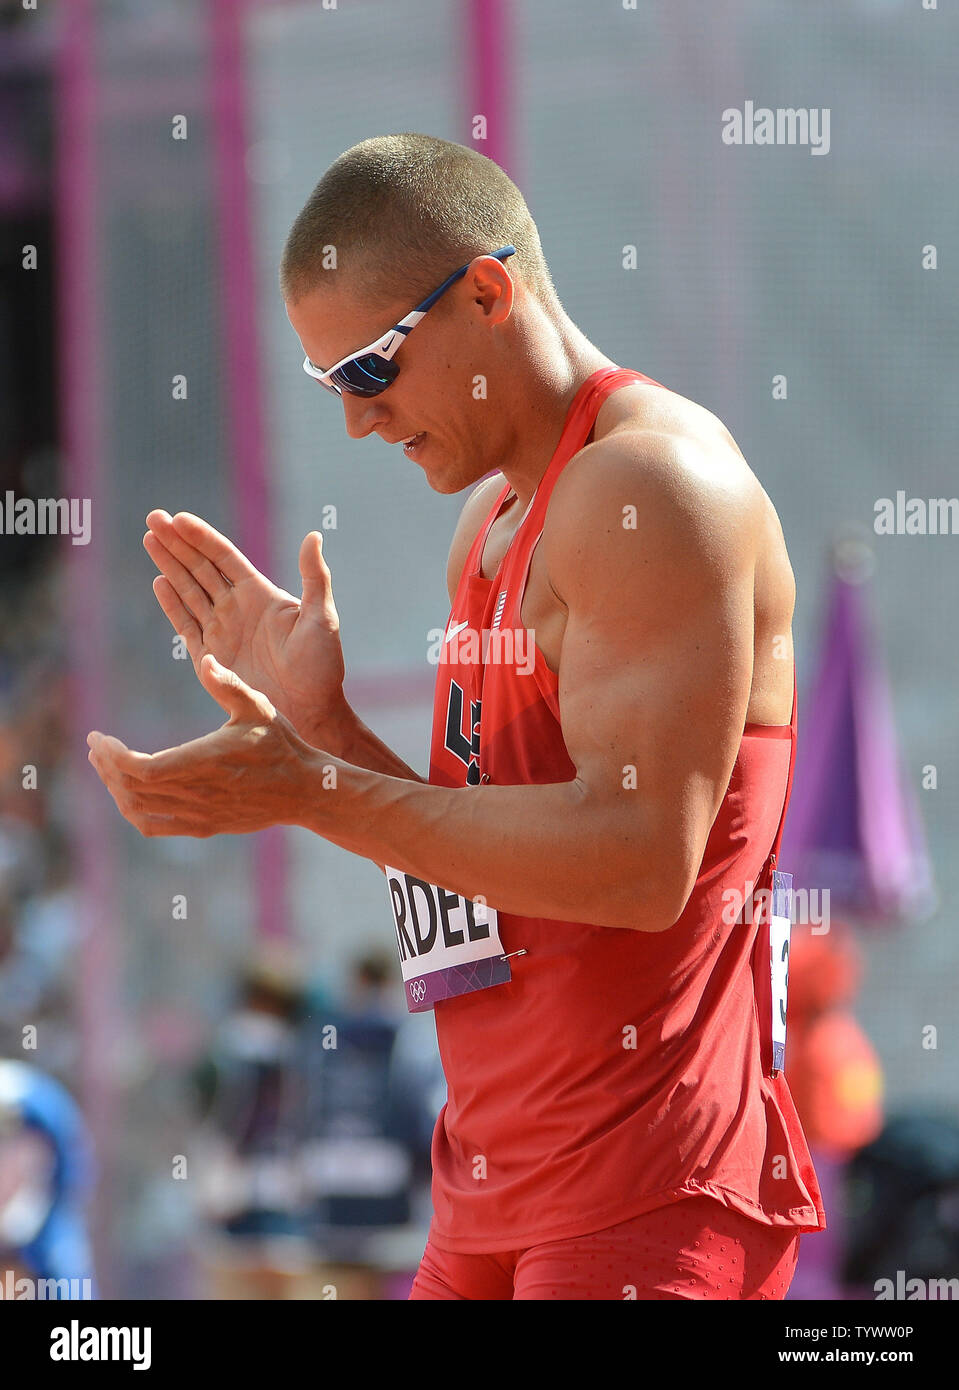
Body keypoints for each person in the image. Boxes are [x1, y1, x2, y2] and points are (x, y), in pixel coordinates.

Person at [88, 132, 825, 1300]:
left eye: (369, 372)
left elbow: (639, 864)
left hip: (644, 1192)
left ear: (487, 290)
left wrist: (308, 788)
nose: (356, 423)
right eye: (329, 388)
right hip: (494, 1185)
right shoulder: (487, 530)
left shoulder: (647, 489)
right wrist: (323, 729)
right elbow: (483, 887)